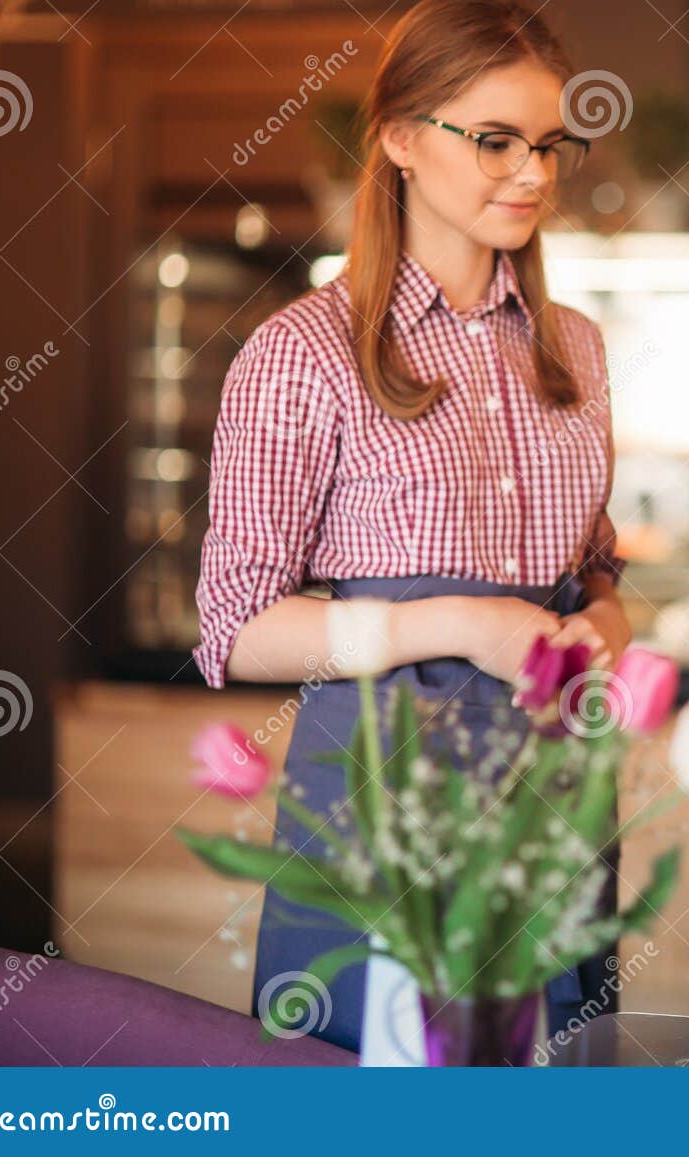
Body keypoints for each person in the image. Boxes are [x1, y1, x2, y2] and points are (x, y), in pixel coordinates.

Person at [191, 0, 630, 1052]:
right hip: (383, 798)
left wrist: (602, 631)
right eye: (493, 141)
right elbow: (235, 628)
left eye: (547, 144)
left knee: (553, 1074)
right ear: (397, 140)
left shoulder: (577, 347)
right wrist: (461, 625)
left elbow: (600, 569)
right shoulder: (304, 353)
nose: (530, 172)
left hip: (556, 788)